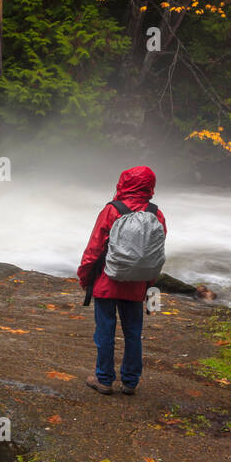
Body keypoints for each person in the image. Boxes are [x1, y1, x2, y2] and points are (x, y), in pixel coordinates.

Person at [77, 166, 167, 395]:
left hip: (107, 282)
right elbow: (156, 251)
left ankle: (104, 379)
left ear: (123, 183)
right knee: (133, 333)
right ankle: (130, 381)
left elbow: (95, 248)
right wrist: (150, 280)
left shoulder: (112, 210)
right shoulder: (156, 213)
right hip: (137, 284)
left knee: (105, 332)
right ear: (150, 186)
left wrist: (85, 276)